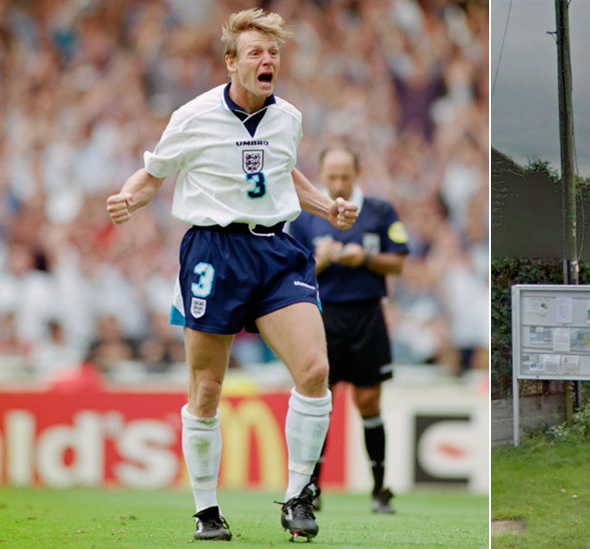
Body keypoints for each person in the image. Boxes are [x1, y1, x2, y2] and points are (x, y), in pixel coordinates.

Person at [105, 8, 358, 542]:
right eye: (255, 53)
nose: (267, 61)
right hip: (212, 253)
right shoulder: (192, 116)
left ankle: (297, 497)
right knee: (207, 388)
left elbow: (285, 170)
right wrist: (129, 198)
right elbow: (153, 175)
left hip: (275, 249)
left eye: (273, 53)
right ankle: (206, 511)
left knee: (313, 370)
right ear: (231, 63)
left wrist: (324, 207)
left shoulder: (287, 116)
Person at [288, 146, 409, 514]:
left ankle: (379, 490)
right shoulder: (305, 216)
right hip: (320, 317)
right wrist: (320, 262)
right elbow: (293, 272)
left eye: (345, 175)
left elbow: (399, 263)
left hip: (367, 315)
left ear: (357, 172)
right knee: (319, 402)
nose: (338, 183)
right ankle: (313, 488)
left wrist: (365, 258)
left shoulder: (379, 211)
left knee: (369, 401)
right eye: (332, 176)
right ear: (321, 175)